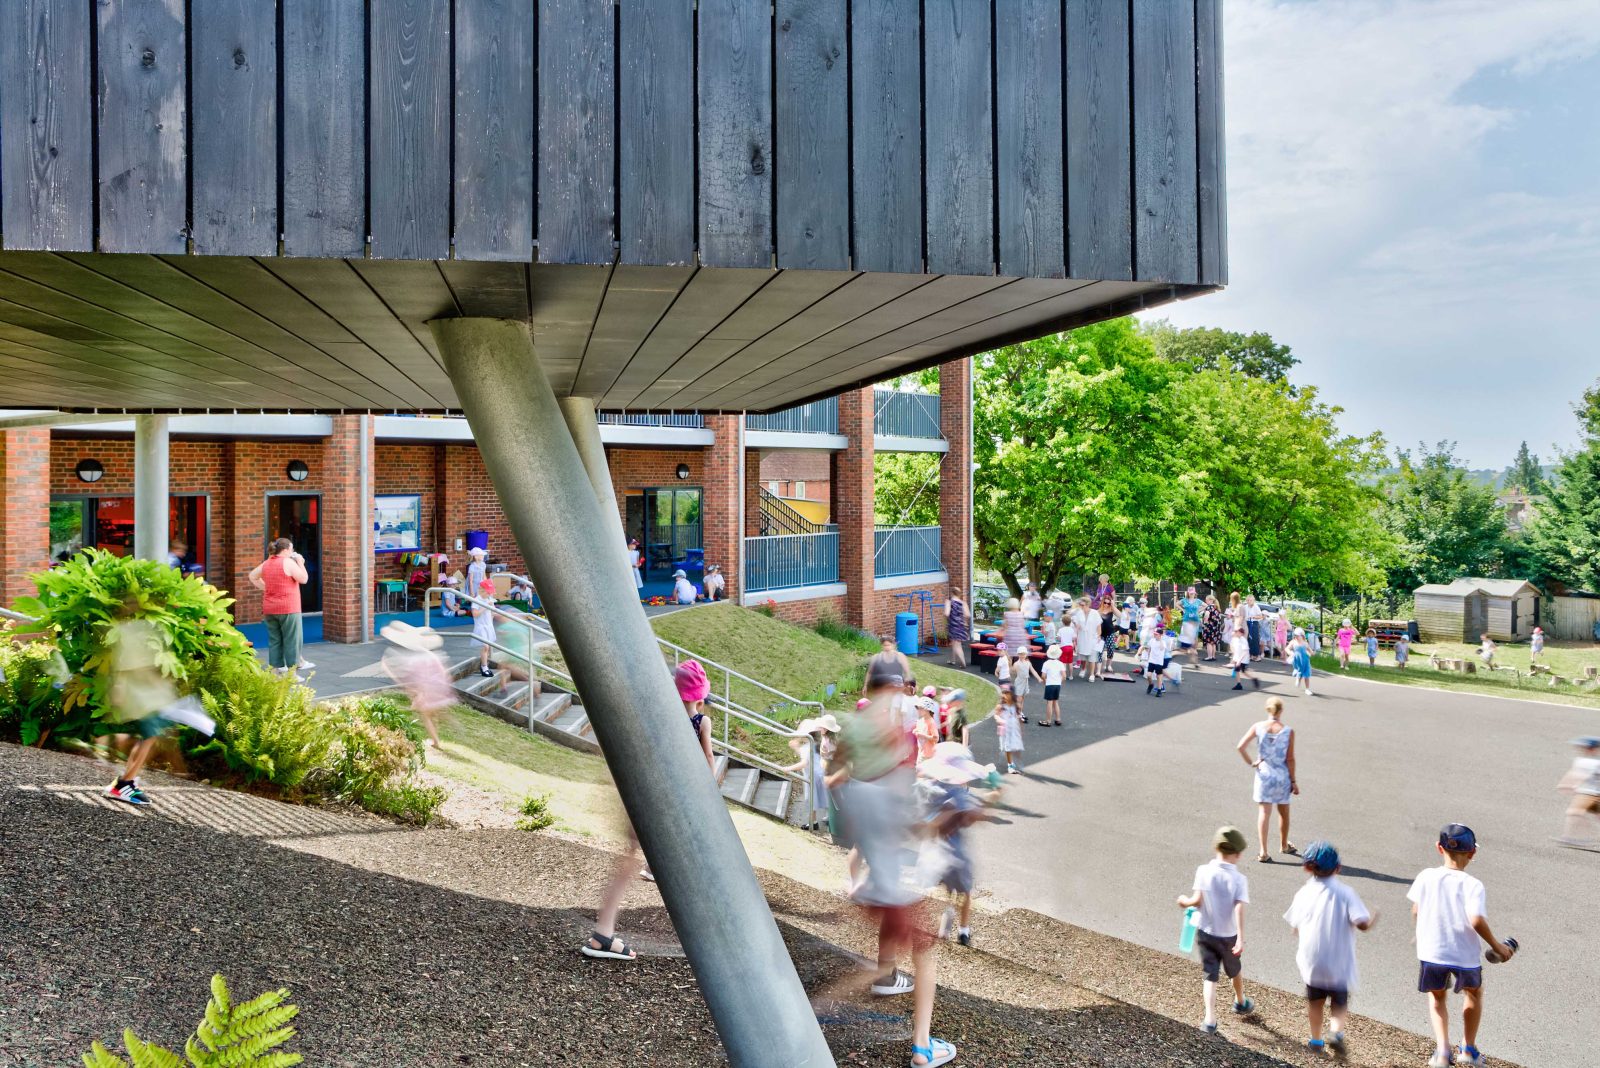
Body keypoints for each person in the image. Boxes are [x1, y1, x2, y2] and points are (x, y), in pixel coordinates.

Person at [833, 664, 956, 1067]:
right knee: (927, 953)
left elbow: (839, 767)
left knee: (893, 925)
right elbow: (918, 829)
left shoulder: (856, 759)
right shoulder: (893, 779)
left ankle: (887, 977)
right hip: (886, 887)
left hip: (872, 885)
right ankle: (922, 1046)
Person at [1406, 824, 1517, 1068]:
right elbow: (1476, 920)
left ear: (1439, 848)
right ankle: (1468, 1048)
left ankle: (1443, 1052)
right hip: (1464, 955)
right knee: (1474, 993)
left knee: (1437, 999)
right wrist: (1498, 947)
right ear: (1472, 853)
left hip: (1432, 951)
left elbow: (1417, 909)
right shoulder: (1472, 884)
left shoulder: (1425, 875)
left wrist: (1420, 934)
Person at [102, 609, 214, 805]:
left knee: (149, 738)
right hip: (145, 698)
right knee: (149, 738)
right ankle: (124, 784)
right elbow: (138, 667)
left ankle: (125, 782)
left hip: (144, 698)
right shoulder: (139, 631)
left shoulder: (130, 629)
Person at [1283, 841, 1375, 1055]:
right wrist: (1372, 918)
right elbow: (1362, 923)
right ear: (1338, 867)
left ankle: (1316, 1041)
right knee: (1339, 1003)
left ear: (1307, 868)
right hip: (1338, 965)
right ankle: (1335, 1031)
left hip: (1312, 963)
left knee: (1315, 1003)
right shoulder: (1345, 893)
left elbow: (1294, 925)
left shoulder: (1303, 893)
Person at [919, 742, 1001, 950]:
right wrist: (993, 797)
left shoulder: (931, 790)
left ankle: (947, 914)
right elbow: (971, 817)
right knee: (965, 892)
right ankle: (963, 930)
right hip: (955, 851)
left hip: (933, 848)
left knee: (946, 888)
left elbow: (928, 819)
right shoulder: (958, 796)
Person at [1175, 826, 1255, 1035]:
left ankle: (1209, 1019)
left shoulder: (1204, 871)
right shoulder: (1239, 879)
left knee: (1210, 975)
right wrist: (1240, 938)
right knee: (1234, 970)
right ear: (1237, 854)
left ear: (1216, 848)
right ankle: (1240, 1001)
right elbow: (1238, 907)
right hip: (1228, 935)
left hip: (1205, 932)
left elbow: (1195, 900)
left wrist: (1184, 901)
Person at [1237, 695, 1297, 862]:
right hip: (1282, 776)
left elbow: (1240, 747)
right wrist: (1293, 781)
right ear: (1281, 711)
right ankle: (1284, 845)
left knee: (1264, 812)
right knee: (1284, 812)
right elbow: (1290, 758)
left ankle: (1263, 851)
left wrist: (1252, 763)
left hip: (1264, 775)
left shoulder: (1258, 727)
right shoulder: (1288, 731)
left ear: (1267, 709)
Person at [380, 620, 451, 750]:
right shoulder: (432, 656)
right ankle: (437, 735)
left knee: (426, 716)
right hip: (438, 690)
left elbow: (413, 678)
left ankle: (435, 741)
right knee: (433, 714)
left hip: (427, 691)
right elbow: (444, 672)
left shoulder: (414, 661)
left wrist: (416, 692)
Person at [248, 538, 309, 677]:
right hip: (288, 608)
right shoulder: (288, 562)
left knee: (275, 639)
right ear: (286, 549)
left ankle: (275, 670)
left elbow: (252, 576)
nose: (292, 552)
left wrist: (266, 588)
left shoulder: (267, 563)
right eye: (292, 549)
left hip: (270, 608)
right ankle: (291, 674)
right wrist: (300, 562)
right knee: (292, 640)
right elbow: (304, 579)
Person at [1554, 736, 1600, 848]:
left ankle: (1573, 838)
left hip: (1588, 793)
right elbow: (1574, 773)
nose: (1581, 749)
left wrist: (1570, 784)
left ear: (1591, 749)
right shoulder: (1583, 761)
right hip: (1593, 793)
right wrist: (1565, 783)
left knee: (1574, 812)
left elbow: (1582, 775)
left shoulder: (1590, 762)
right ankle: (1578, 838)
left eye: (1583, 747)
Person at [470, 578, 498, 677]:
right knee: (485, 646)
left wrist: (493, 612)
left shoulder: (489, 599)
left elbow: (493, 612)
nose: (489, 594)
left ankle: (485, 664)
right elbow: (475, 614)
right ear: (482, 590)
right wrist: (485, 606)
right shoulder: (477, 600)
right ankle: (484, 667)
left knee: (488, 647)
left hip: (488, 625)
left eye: (490, 592)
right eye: (488, 592)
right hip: (481, 626)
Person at [994, 685, 1024, 774]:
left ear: (1012, 695)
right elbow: (996, 715)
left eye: (1007, 693)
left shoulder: (1015, 706)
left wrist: (1021, 729)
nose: (1004, 696)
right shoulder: (1001, 706)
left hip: (1014, 730)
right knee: (1008, 748)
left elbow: (1019, 717)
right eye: (1004, 693)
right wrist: (1000, 720)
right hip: (1005, 731)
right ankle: (1010, 765)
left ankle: (1017, 761)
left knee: (1017, 747)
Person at [1072, 597, 1099, 681]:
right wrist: (1074, 636)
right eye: (1080, 604)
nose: (1080, 606)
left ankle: (1091, 674)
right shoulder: (1079, 613)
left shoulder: (1095, 613)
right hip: (1082, 637)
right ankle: (1083, 669)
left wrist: (1098, 636)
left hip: (1092, 637)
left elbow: (1099, 626)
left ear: (1087, 604)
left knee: (1092, 656)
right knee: (1082, 655)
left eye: (1082, 604)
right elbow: (1077, 626)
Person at [1040, 644, 1067, 727]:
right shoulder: (1060, 663)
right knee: (1056, 702)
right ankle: (1058, 719)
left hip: (1050, 684)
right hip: (1057, 685)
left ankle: (1048, 720)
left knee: (1049, 703)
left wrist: (1045, 682)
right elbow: (1064, 676)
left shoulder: (1046, 664)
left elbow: (1043, 676)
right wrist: (1061, 682)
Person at [1144, 623, 1172, 696]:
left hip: (1159, 662)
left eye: (1156, 634)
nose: (1155, 635)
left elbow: (1162, 648)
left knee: (1159, 675)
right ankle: (1151, 684)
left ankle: (1159, 690)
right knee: (1149, 675)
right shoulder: (1152, 640)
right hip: (1152, 660)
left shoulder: (1163, 642)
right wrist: (1148, 657)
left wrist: (1160, 640)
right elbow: (1149, 648)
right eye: (1154, 634)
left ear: (1160, 635)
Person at [1228, 624, 1259, 691]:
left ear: (1241, 633)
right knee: (1240, 671)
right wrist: (1234, 659)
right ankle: (1249, 680)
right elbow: (1234, 649)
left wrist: (1239, 660)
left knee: (1240, 671)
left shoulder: (1243, 640)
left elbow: (1245, 651)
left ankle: (1240, 684)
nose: (1235, 632)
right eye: (1235, 631)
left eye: (1237, 631)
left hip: (1243, 659)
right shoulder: (1236, 639)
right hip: (1239, 658)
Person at [943, 592, 970, 668]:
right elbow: (968, 615)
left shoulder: (949, 602)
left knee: (957, 645)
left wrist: (945, 619)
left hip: (953, 626)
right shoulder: (963, 603)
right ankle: (953, 660)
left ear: (952, 594)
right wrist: (964, 621)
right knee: (954, 643)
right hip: (961, 626)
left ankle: (963, 662)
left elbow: (946, 614)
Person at [1178, 586, 1203, 663]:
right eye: (1190, 593)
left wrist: (1198, 611)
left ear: (1194, 593)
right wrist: (1183, 610)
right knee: (1188, 639)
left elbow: (1205, 605)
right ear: (1188, 593)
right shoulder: (1184, 600)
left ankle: (1193, 654)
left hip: (1195, 620)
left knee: (1194, 638)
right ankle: (1191, 652)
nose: (1191, 594)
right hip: (1187, 620)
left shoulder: (1197, 601)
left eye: (1193, 593)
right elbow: (1177, 604)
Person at [1289, 628, 1314, 697]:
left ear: (1302, 636)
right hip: (1297, 660)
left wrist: (1312, 653)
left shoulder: (1305, 643)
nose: (1296, 637)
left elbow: (1310, 651)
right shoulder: (1293, 642)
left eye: (1298, 635)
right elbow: (1287, 649)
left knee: (1307, 674)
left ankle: (1307, 689)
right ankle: (1298, 678)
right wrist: (1291, 653)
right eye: (1295, 635)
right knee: (1299, 671)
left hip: (1305, 660)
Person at [1200, 594, 1224, 662]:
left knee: (1208, 643)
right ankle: (1213, 656)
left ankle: (1209, 656)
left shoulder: (1209, 607)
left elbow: (1206, 615)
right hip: (1216, 628)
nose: (1205, 601)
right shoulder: (1217, 608)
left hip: (1209, 627)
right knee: (1213, 643)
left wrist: (1205, 622)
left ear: (1210, 600)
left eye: (1206, 600)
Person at [1244, 594, 1263, 661]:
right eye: (1248, 600)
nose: (1249, 601)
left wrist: (1253, 617)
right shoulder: (1245, 607)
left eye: (1251, 600)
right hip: (1247, 623)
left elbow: (1261, 616)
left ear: (1253, 600)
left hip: (1254, 623)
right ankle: (1251, 655)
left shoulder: (1256, 607)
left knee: (1255, 639)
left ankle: (1257, 655)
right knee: (1249, 639)